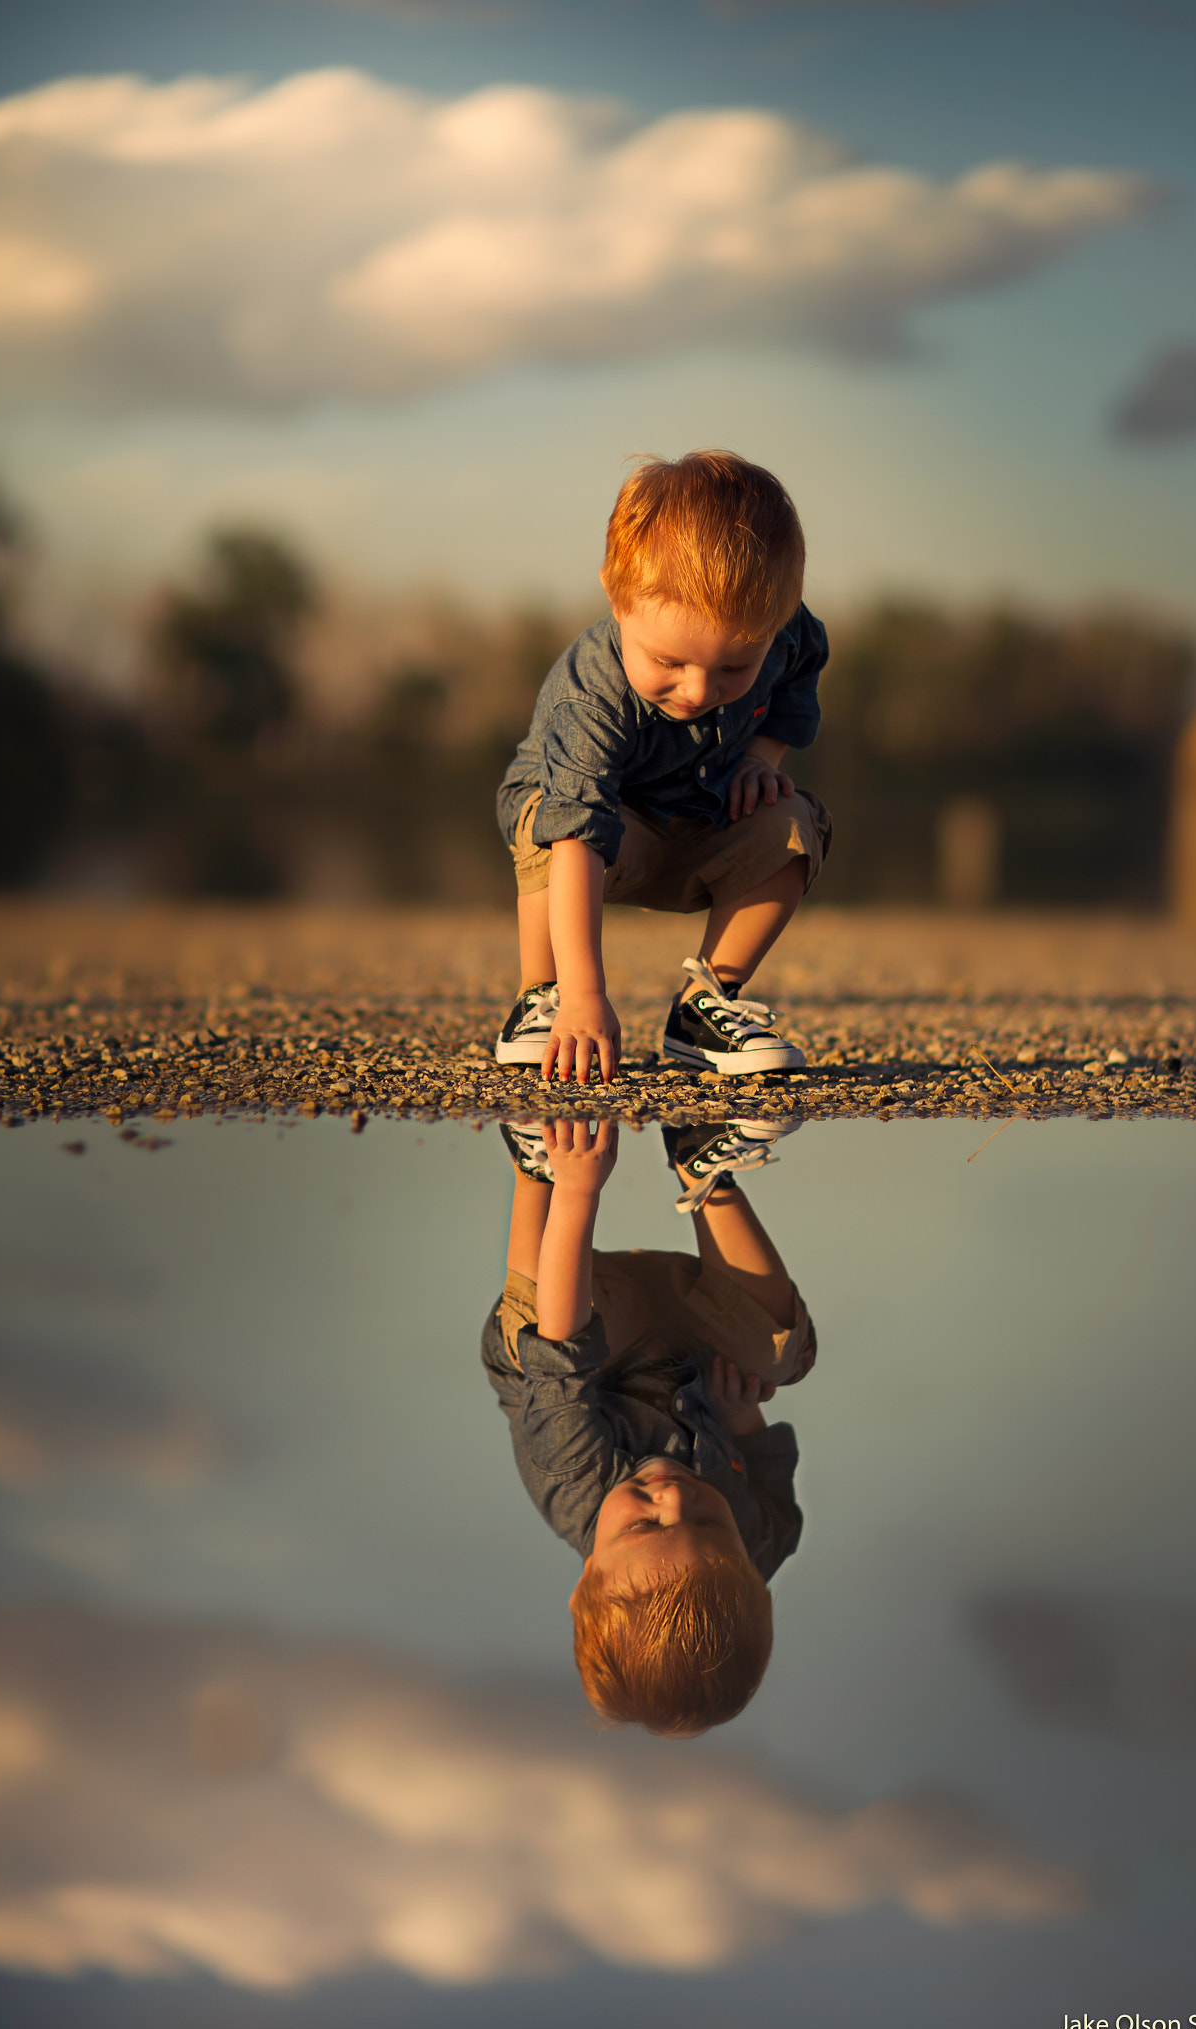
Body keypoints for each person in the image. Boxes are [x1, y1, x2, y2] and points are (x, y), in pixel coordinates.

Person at [493, 450, 831, 1083]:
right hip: (597, 838)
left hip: (704, 818)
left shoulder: (786, 633)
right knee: (548, 818)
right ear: (618, 597)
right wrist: (587, 996)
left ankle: (705, 1005)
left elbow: (801, 668)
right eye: (669, 662)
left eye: (734, 666)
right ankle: (546, 996)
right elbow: (577, 838)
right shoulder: (591, 695)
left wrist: (760, 758)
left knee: (792, 822)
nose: (699, 691)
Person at [481, 1118, 817, 1736]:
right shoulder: (758, 1545)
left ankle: (539, 1161)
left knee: (537, 1331)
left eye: (643, 1525)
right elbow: (771, 1482)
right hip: (683, 1332)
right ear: (748, 1565)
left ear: (589, 1574)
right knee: (778, 1356)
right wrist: (740, 1411)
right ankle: (702, 1162)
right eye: (708, 1523)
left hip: (574, 1320)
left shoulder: (573, 1479)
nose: (675, 1499)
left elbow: (561, 1355)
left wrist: (579, 1189)